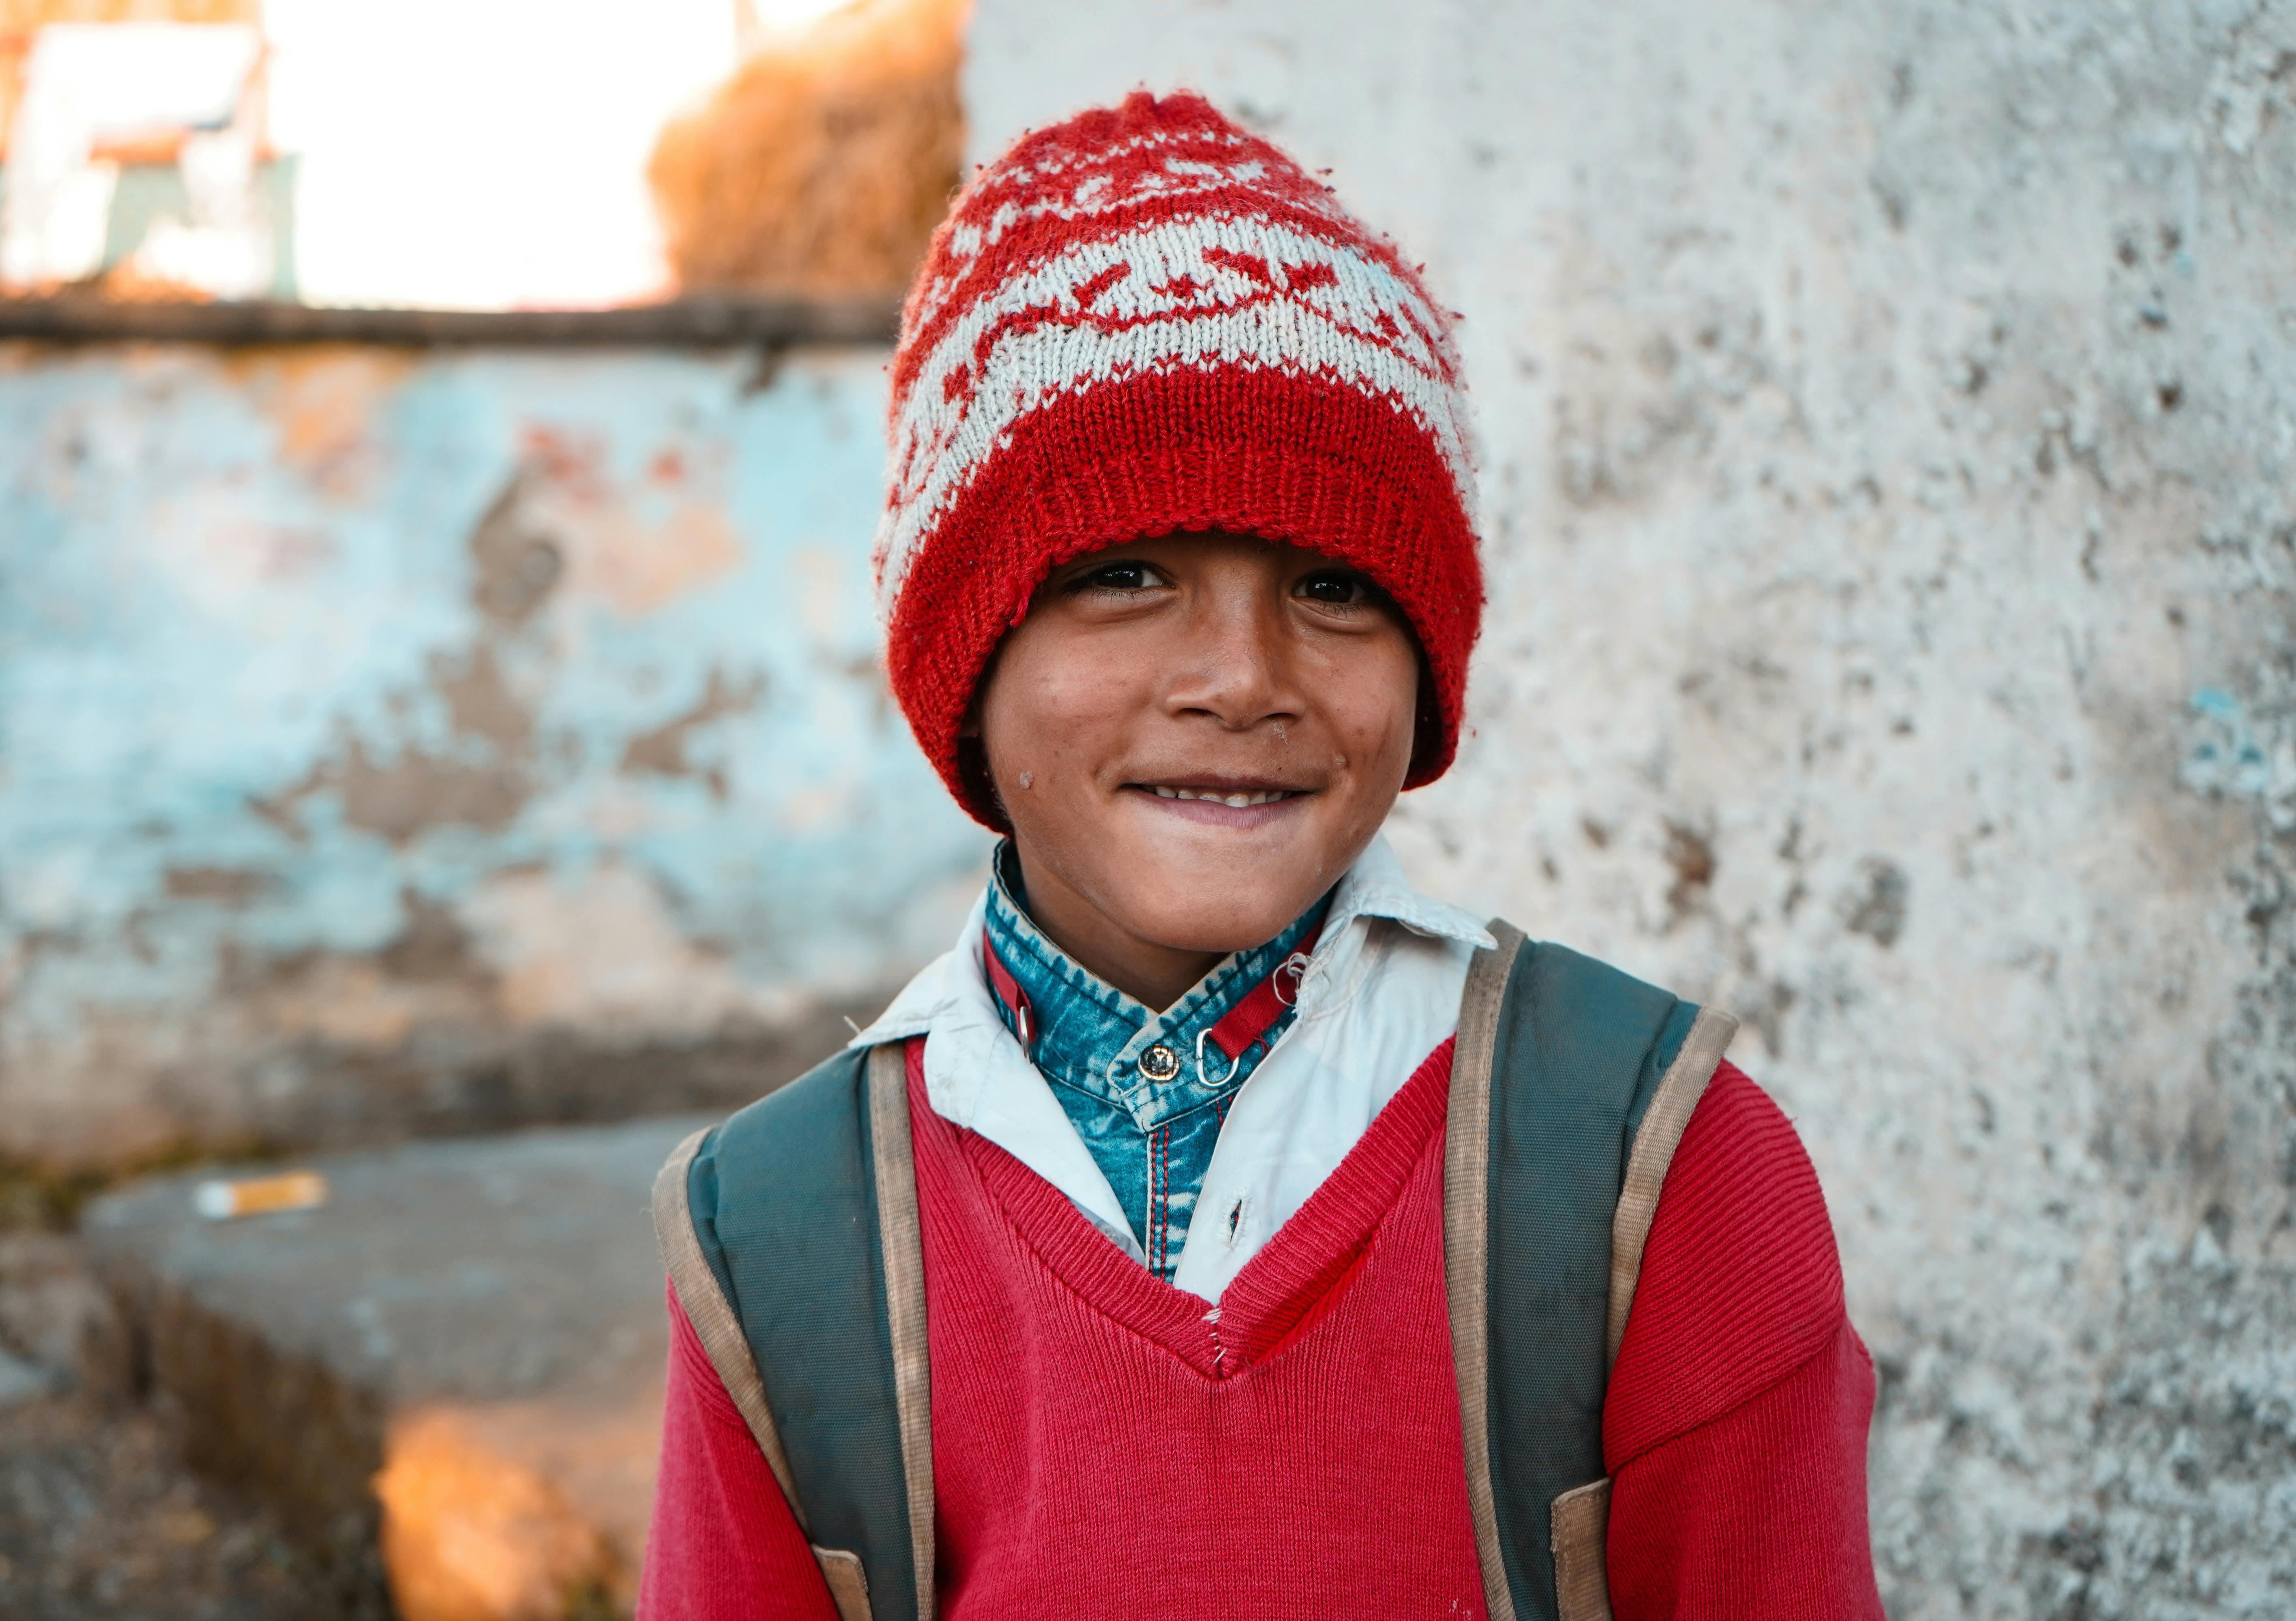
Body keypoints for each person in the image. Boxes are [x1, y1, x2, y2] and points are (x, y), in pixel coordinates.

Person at [638, 90, 1884, 1621]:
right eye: (1128, 572)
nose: (1241, 675)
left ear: (1426, 667)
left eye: (1335, 584)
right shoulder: (776, 1237)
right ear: (968, 656)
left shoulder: (1657, 1166)